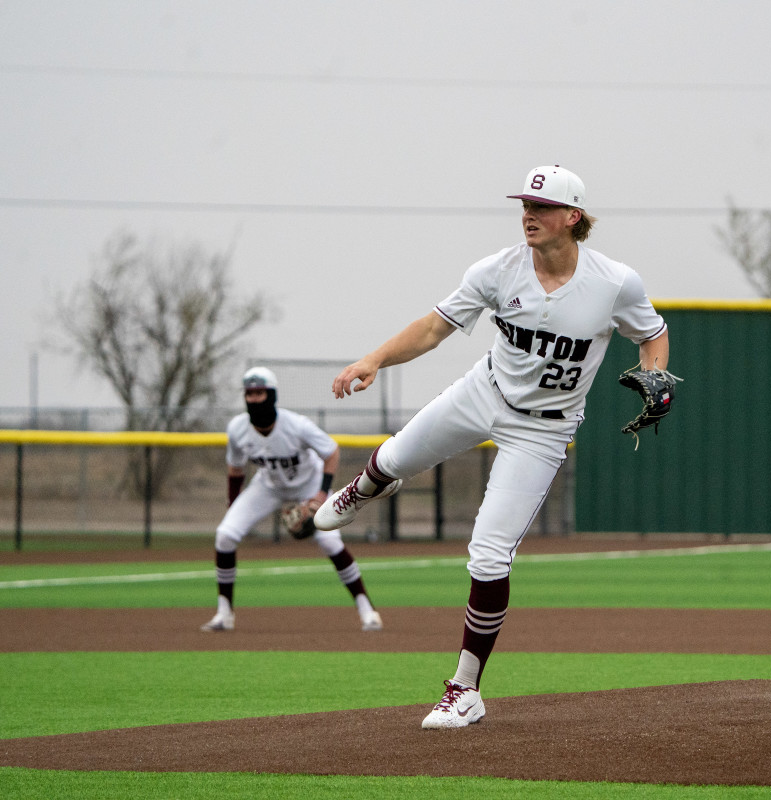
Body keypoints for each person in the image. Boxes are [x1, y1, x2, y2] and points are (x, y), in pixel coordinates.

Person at [315, 165, 670, 729]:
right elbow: (433, 328)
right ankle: (363, 489)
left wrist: (655, 376)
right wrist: (373, 359)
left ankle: (465, 689)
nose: (529, 214)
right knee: (396, 457)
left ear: (572, 217)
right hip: (485, 392)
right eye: (525, 204)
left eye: (542, 206)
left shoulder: (614, 283)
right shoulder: (497, 270)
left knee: (488, 554)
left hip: (544, 429)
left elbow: (651, 334)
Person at [201, 366, 383, 633]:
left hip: (309, 484)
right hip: (268, 486)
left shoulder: (296, 425)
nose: (254, 398)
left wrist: (320, 494)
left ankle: (367, 610)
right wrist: (233, 504)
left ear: (272, 395)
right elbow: (235, 469)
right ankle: (224, 614)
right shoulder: (238, 428)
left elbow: (331, 452)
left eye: (260, 392)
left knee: (330, 542)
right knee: (225, 536)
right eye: (249, 393)